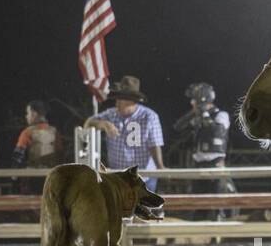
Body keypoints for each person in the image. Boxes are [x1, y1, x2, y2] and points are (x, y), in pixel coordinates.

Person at [82, 76, 165, 190]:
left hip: (143, 177)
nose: (116, 103)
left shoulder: (149, 116)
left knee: (143, 207)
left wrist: (160, 167)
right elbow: (88, 123)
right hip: (117, 177)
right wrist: (104, 124)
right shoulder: (111, 114)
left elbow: (154, 145)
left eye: (120, 100)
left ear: (131, 101)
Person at [173, 82, 237, 220]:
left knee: (218, 207)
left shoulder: (221, 115)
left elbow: (216, 131)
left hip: (216, 167)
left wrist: (204, 113)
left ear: (202, 100)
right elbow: (178, 127)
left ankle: (219, 237)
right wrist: (193, 118)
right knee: (198, 206)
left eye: (194, 100)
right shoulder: (197, 117)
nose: (192, 103)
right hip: (198, 168)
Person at [12, 100, 66, 193]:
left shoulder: (27, 132)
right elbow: (60, 155)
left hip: (33, 176)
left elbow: (18, 155)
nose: (26, 116)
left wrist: (14, 175)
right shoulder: (55, 132)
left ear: (34, 114)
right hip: (51, 176)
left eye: (27, 113)